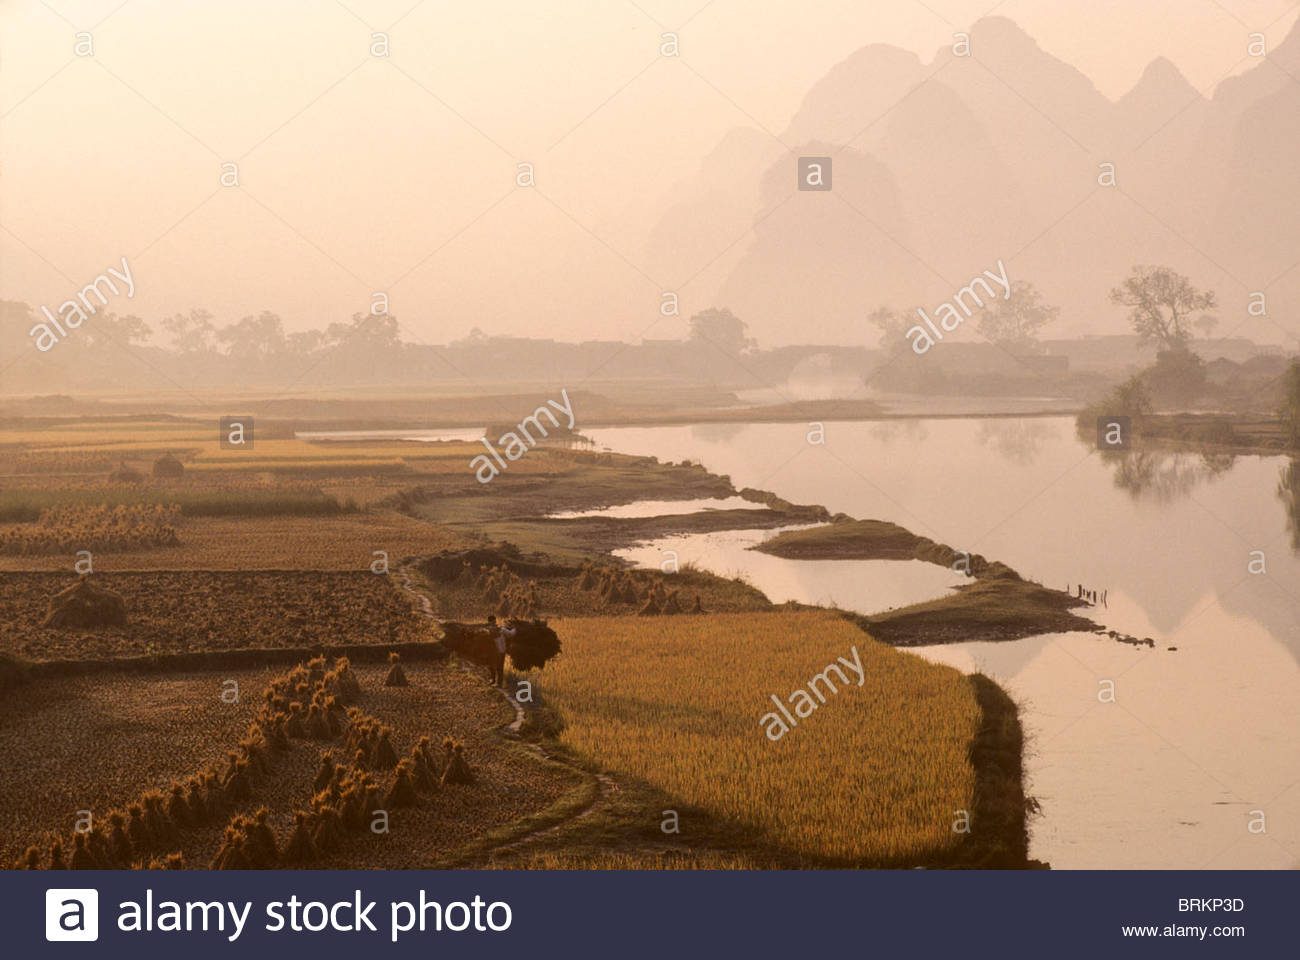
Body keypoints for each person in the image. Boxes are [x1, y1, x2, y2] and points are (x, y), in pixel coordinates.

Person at [486, 615, 515, 687]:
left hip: (499, 651)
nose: (493, 623)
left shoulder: (500, 629)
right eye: (493, 622)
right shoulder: (490, 630)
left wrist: (516, 628)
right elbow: (511, 634)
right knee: (493, 666)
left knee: (497, 667)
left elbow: (511, 634)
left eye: (493, 621)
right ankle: (494, 681)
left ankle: (497, 682)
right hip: (495, 651)